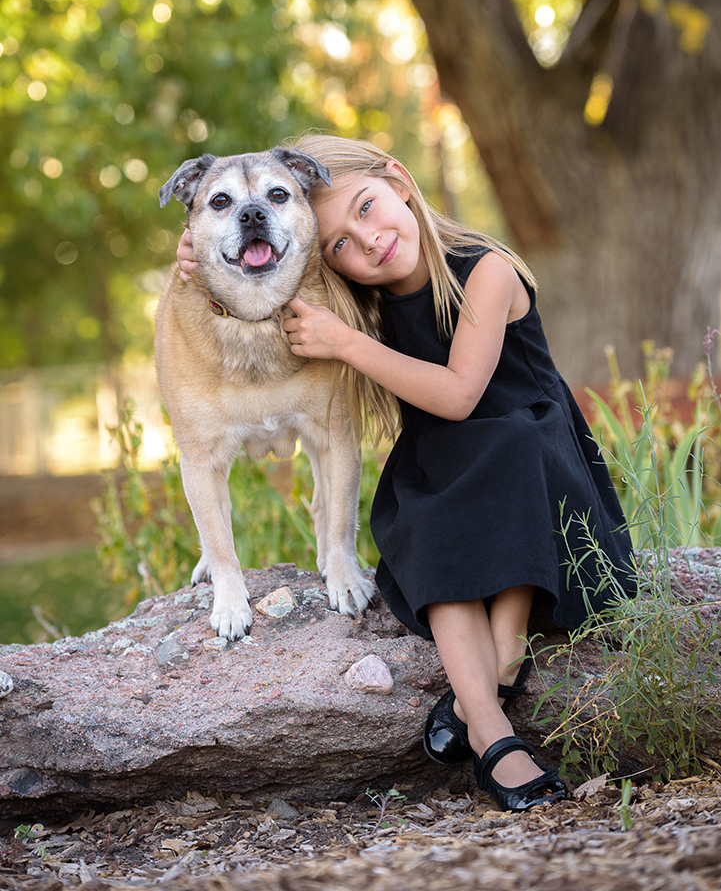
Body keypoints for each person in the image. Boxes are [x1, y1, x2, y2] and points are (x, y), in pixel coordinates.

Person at [176, 135, 637, 812]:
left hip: (537, 467)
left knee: (509, 451)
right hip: (447, 476)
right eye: (336, 243)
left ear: (399, 179)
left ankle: (497, 679)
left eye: (367, 208)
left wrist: (346, 343)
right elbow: (256, 272)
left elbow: (460, 397)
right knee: (432, 515)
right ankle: (492, 728)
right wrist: (193, 255)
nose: (364, 241)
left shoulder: (485, 269)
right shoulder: (361, 299)